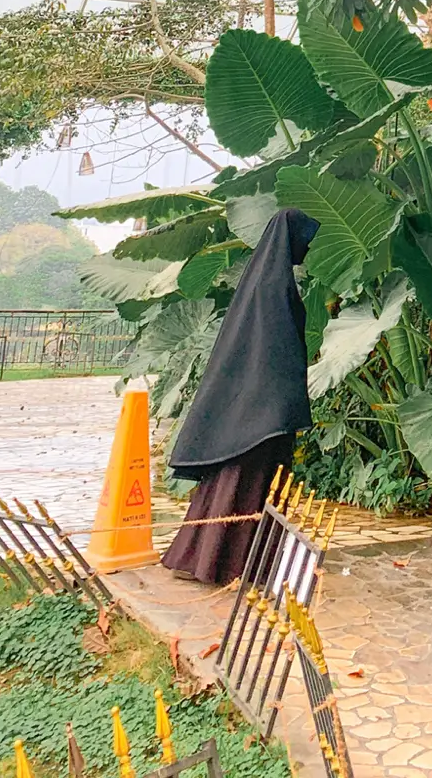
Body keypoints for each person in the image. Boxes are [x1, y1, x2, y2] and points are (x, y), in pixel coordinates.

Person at [161, 207, 319, 585]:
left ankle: (206, 560)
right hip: (263, 410)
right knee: (247, 482)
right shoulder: (275, 289)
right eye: (306, 240)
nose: (309, 248)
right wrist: (282, 408)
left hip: (249, 406)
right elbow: (276, 352)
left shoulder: (259, 281)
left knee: (232, 482)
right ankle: (231, 565)